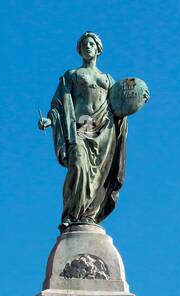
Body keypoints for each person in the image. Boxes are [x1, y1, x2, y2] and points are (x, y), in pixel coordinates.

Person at [38, 32, 127, 229]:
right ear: (79, 50)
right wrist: (50, 120)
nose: (88, 47)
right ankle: (72, 213)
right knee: (78, 165)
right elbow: (59, 104)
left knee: (99, 177)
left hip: (104, 131)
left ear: (98, 49)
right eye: (84, 45)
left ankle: (89, 215)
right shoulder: (72, 75)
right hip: (80, 128)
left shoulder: (108, 79)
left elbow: (120, 107)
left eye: (91, 44)